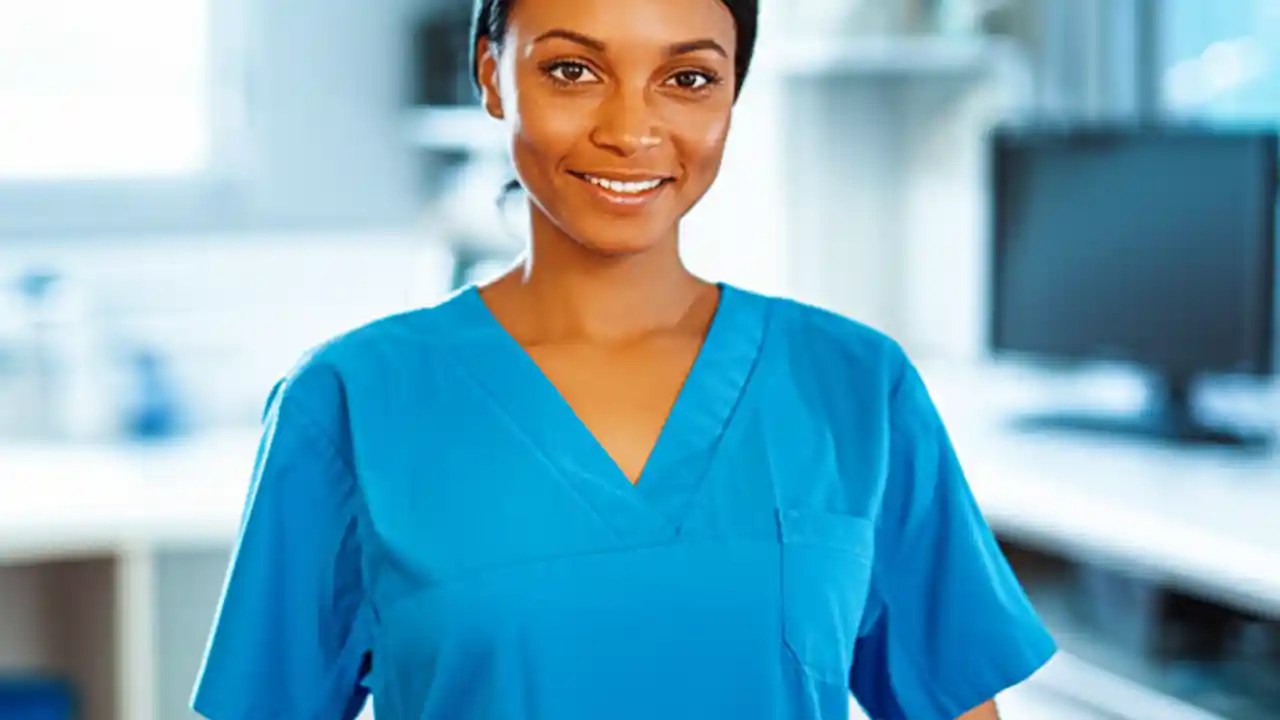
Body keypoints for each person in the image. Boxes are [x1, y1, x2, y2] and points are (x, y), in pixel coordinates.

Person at [190, 0, 1057, 718]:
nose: (631, 130)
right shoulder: (349, 403)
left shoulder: (857, 389)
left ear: (730, 97)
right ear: (493, 76)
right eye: (573, 70)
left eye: (687, 79)